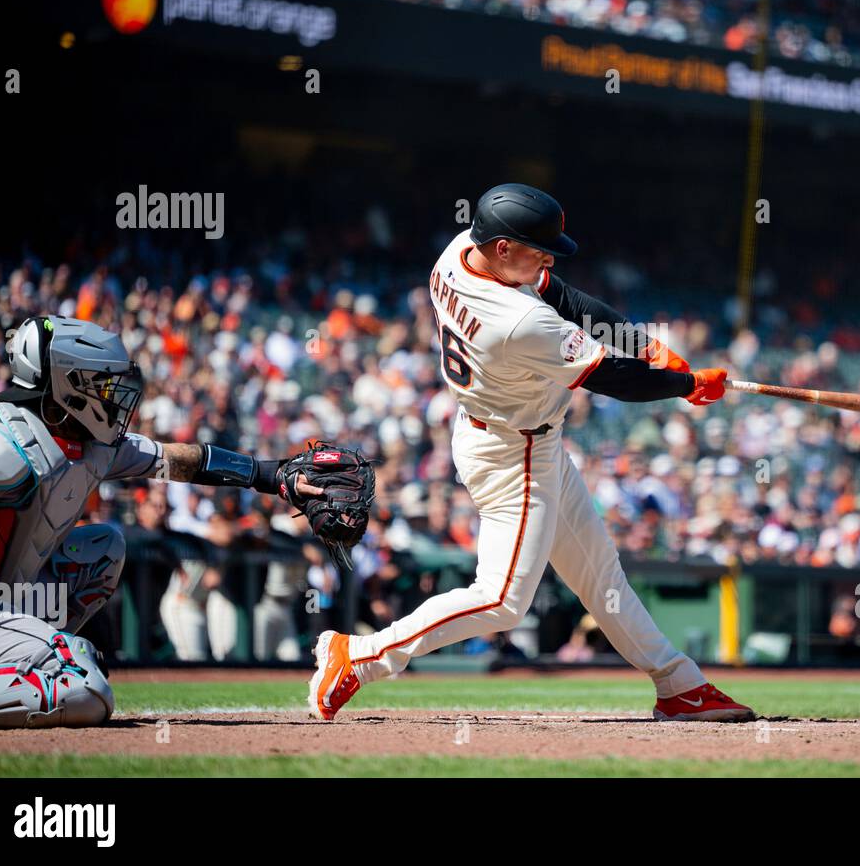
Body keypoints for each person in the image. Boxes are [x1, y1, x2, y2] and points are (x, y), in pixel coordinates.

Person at [308, 184, 753, 722]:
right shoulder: (516, 321)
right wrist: (684, 386)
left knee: (600, 578)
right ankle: (359, 655)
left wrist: (647, 346)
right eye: (537, 248)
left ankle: (679, 684)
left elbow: (563, 295)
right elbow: (611, 379)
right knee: (501, 600)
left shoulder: (459, 252)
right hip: (511, 453)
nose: (547, 256)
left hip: (515, 434)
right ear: (502, 248)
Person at [0, 316, 313, 727]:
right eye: (102, 383)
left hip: (2, 601)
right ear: (68, 385)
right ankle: (32, 662)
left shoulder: (92, 445)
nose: (114, 395)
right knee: (84, 689)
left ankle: (29, 654)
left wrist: (271, 475)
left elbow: (179, 461)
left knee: (102, 549)